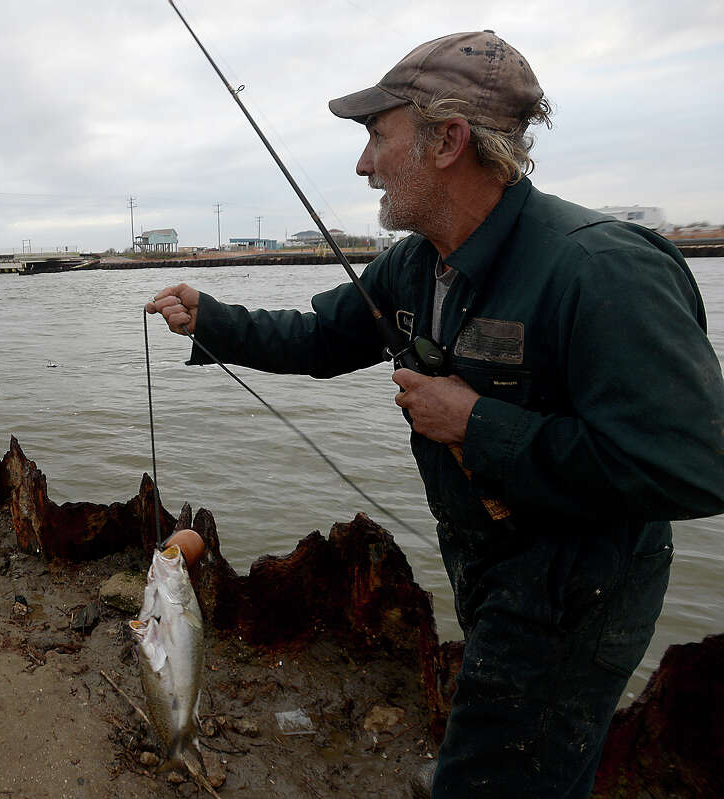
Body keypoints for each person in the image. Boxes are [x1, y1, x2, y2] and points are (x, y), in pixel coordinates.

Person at [147, 31, 724, 799]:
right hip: (484, 563)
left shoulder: (602, 269)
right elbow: (321, 337)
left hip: (578, 591)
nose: (364, 165)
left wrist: (477, 423)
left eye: (376, 137)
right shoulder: (417, 262)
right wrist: (212, 318)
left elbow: (691, 465)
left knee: (503, 774)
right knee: (529, 768)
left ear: (448, 141)